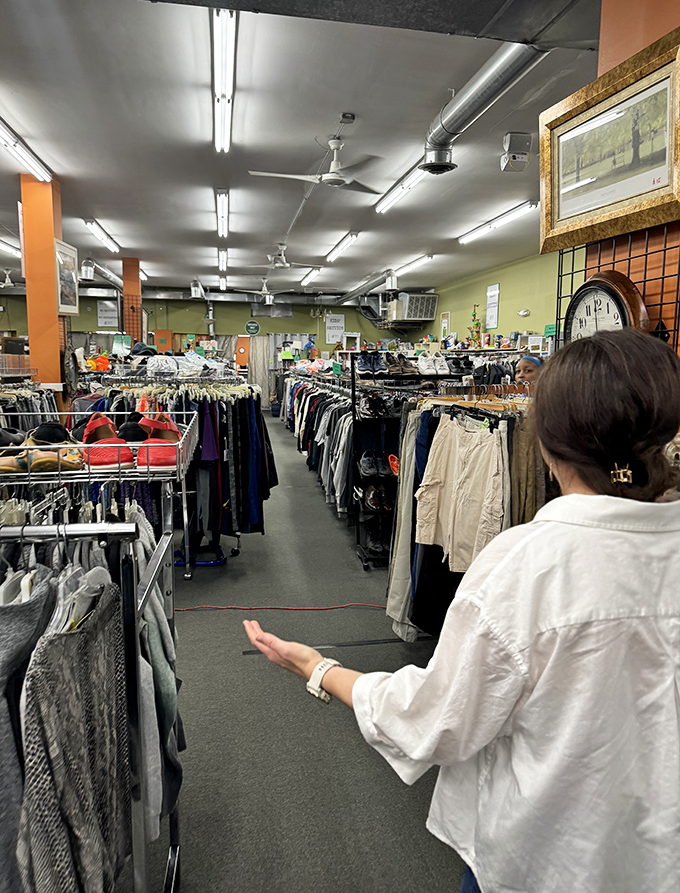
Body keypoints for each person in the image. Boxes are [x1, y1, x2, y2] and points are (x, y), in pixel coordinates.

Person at [244, 329, 680, 893]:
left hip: (545, 858)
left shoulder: (527, 566)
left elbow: (436, 718)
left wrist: (318, 668)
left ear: (546, 440)